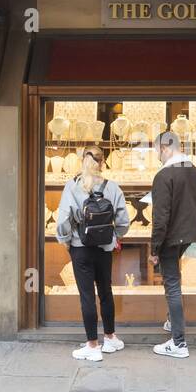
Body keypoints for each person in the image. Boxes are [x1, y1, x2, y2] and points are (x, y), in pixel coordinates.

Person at [55, 145, 130, 362]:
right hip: (104, 249)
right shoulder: (112, 187)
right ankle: (110, 337)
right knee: (105, 291)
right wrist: (114, 237)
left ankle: (92, 345)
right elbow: (123, 222)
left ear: (82, 161)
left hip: (81, 247)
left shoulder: (72, 186)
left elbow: (63, 221)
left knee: (87, 295)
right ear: (103, 162)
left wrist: (66, 241)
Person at [149, 130, 196, 358]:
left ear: (165, 147)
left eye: (157, 151)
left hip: (171, 237)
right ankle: (173, 322)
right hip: (189, 234)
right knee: (174, 280)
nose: (157, 156)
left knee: (171, 284)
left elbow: (160, 217)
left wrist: (154, 249)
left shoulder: (164, 176)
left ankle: (178, 343)